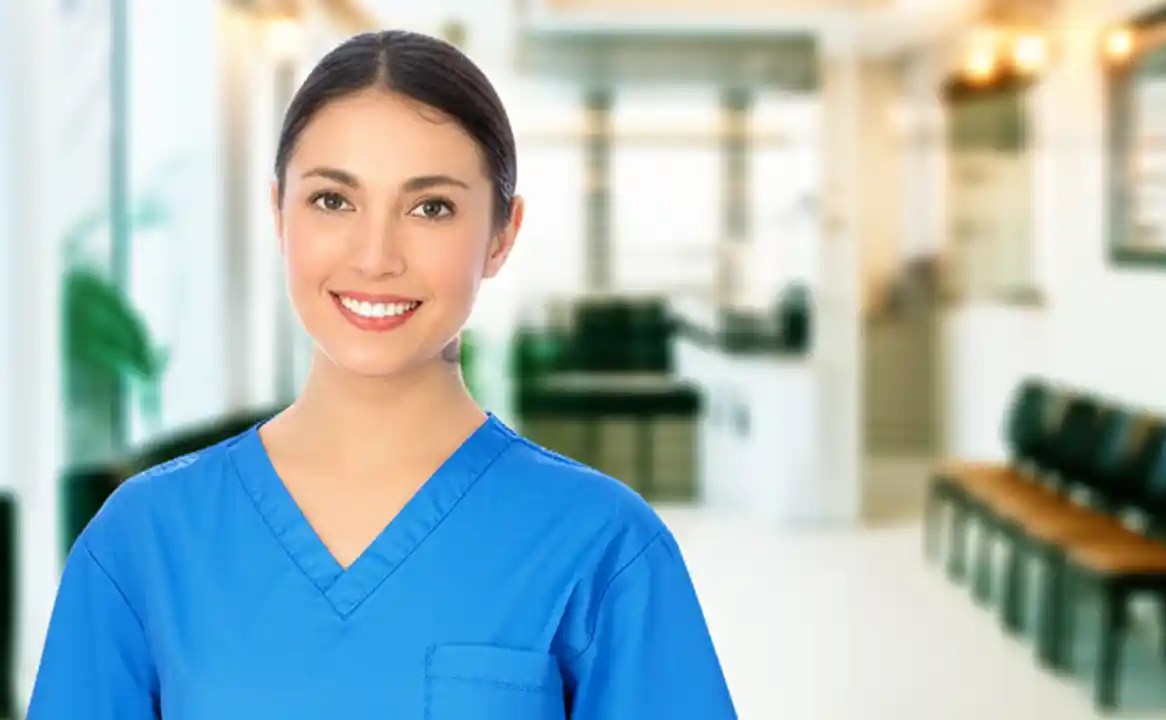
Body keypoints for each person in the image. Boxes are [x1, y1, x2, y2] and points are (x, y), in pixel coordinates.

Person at [27, 30, 736, 719]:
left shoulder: (602, 548)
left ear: (501, 235)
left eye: (431, 208)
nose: (375, 257)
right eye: (333, 200)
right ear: (279, 213)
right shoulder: (144, 544)